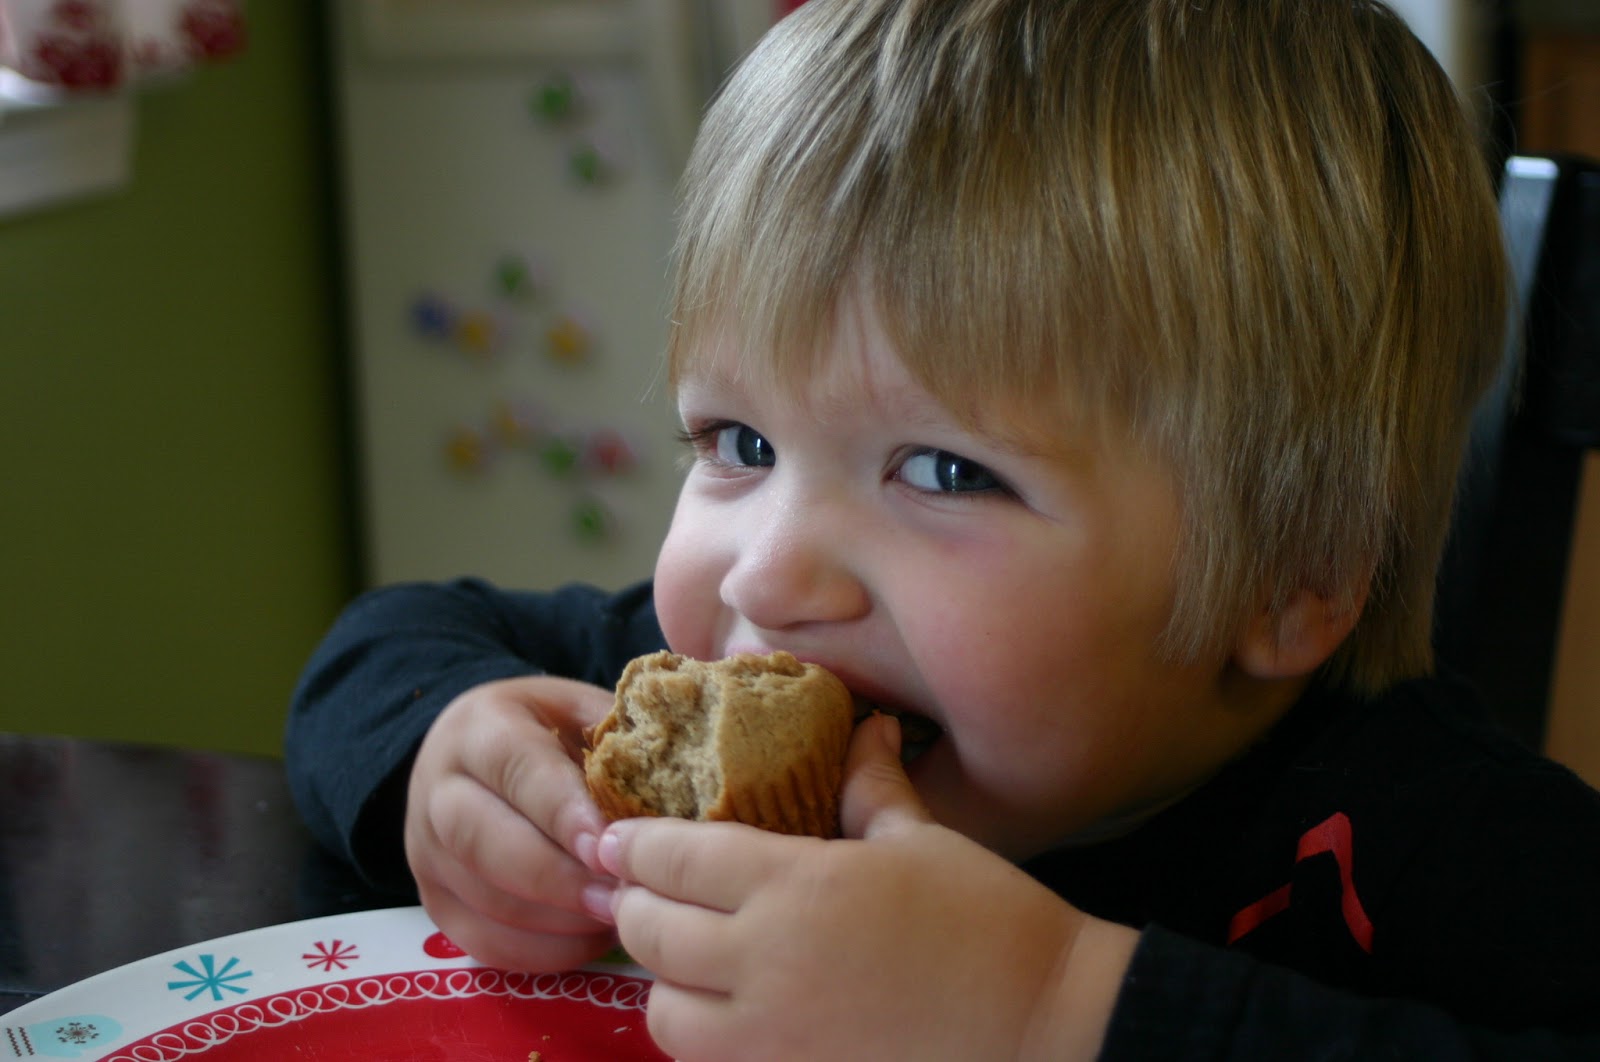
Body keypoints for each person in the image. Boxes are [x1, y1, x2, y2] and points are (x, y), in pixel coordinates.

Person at [287, 0, 1600, 1057]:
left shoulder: (1427, 846)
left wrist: (1053, 1008)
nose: (768, 570)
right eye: (740, 445)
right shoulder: (756, 668)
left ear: (1293, 571)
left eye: (947, 471)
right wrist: (450, 759)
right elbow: (387, 642)